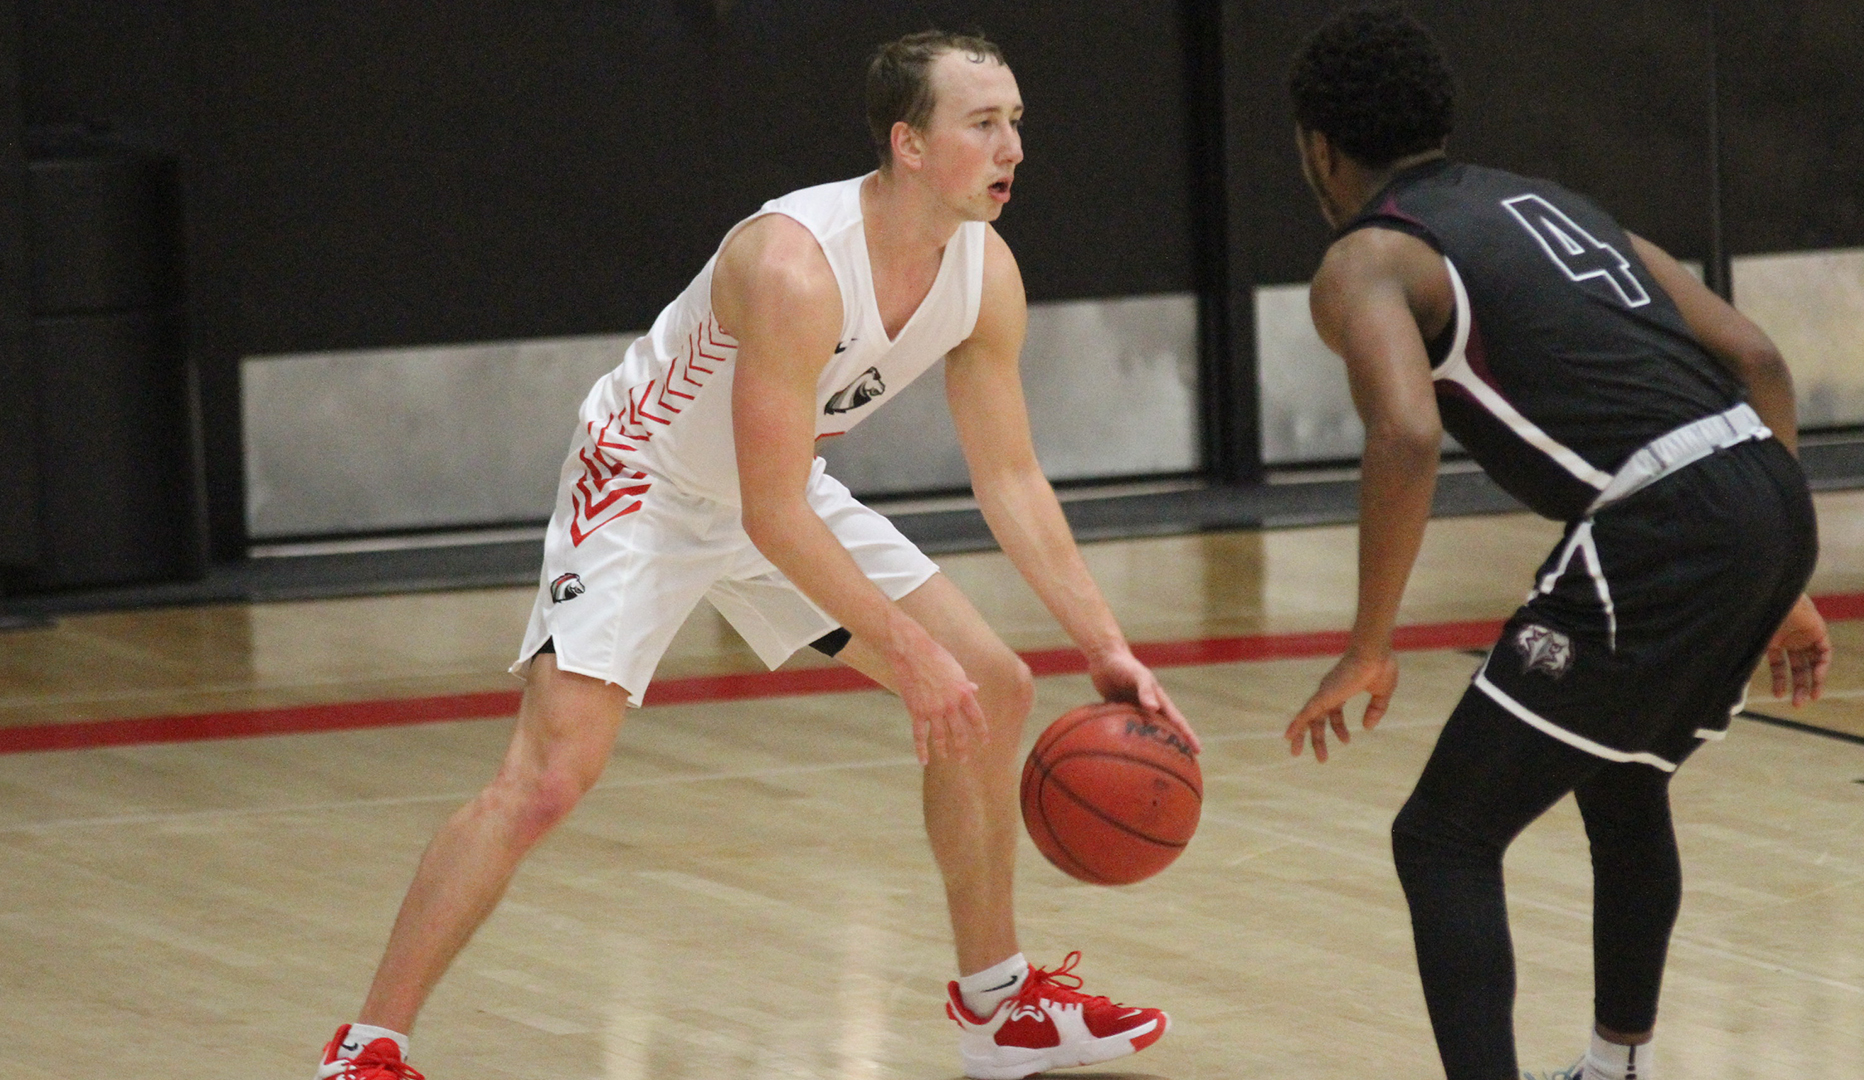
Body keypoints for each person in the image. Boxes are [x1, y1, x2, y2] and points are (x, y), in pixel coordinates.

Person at [311, 30, 1196, 1080]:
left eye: (1016, 124)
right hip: (645, 485)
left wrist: (1107, 647)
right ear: (909, 145)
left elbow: (1009, 479)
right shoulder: (794, 264)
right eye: (984, 124)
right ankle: (367, 1048)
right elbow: (773, 514)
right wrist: (908, 655)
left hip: (770, 487)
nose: (1013, 147)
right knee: (550, 777)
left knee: (995, 691)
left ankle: (996, 1007)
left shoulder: (983, 271)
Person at [1278, 8, 1832, 1080]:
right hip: (1758, 485)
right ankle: (1614, 1068)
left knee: (1441, 837)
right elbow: (1756, 357)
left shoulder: (1367, 260)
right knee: (1621, 780)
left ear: (1319, 147)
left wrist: (1367, 644)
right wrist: (1778, 573)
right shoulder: (1553, 205)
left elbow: (1403, 431)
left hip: (1661, 525)